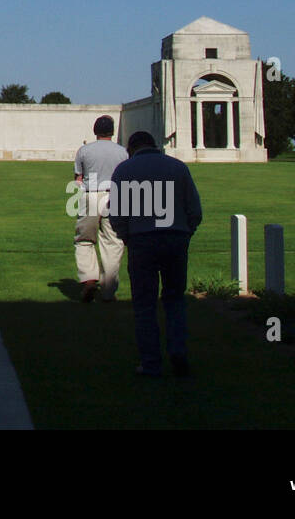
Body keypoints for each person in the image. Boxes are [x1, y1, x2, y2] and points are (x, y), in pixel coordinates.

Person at [107, 130, 203, 377]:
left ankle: (151, 363)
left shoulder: (124, 171)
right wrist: (185, 233)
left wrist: (126, 236)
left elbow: (117, 214)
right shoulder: (178, 167)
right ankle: (178, 351)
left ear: (131, 149)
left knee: (144, 304)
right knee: (174, 299)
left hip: (141, 240)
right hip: (176, 238)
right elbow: (194, 209)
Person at [72, 115, 127, 302]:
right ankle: (108, 290)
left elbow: (78, 178)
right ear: (112, 131)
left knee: (84, 240)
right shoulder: (122, 152)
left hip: (91, 194)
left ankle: (88, 279)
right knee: (113, 242)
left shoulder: (84, 150)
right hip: (114, 195)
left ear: (95, 131)